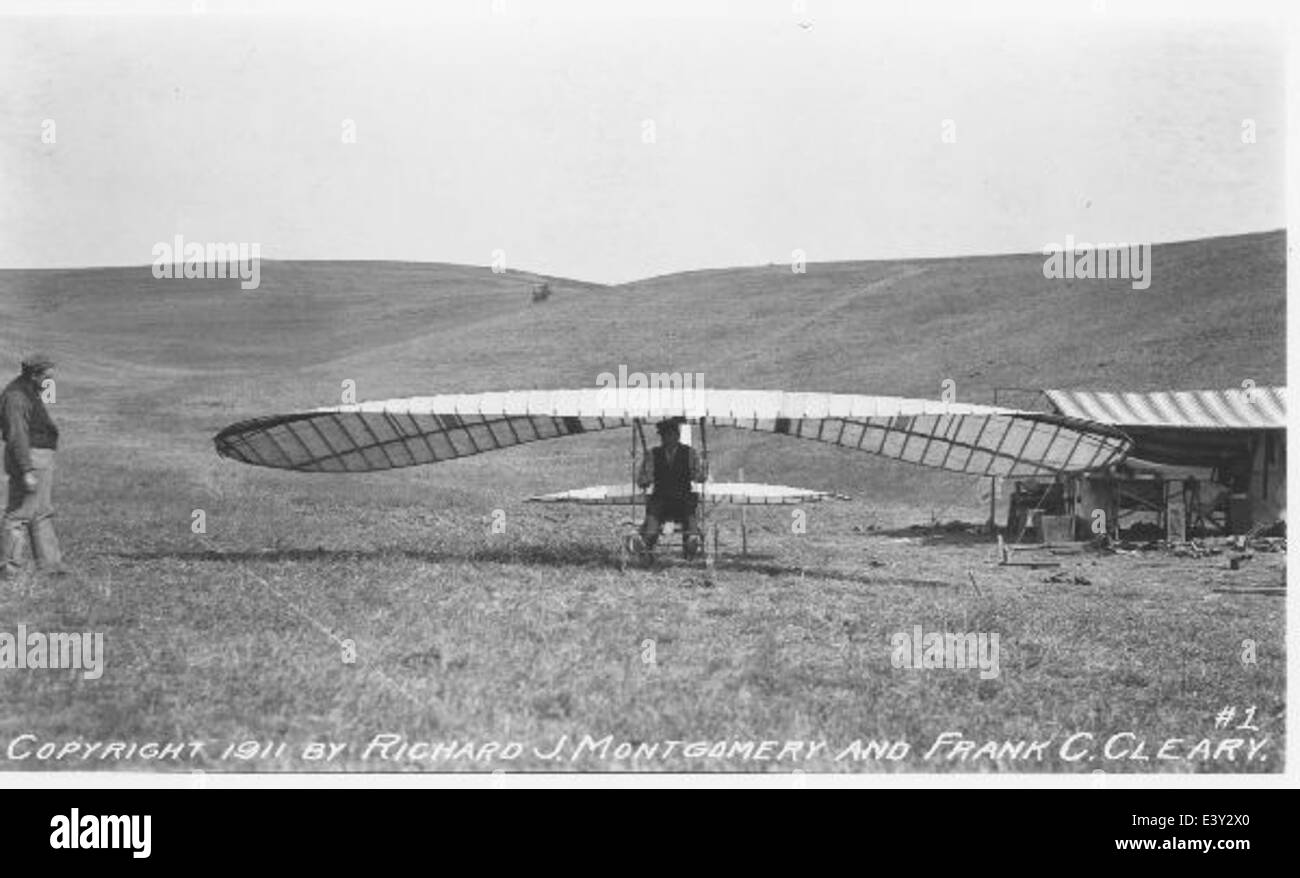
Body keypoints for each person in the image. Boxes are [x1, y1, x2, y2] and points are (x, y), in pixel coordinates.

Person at [0, 353, 68, 577]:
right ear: (34, 375)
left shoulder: (30, 391)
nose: (50, 381)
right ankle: (9, 569)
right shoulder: (15, 397)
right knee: (19, 513)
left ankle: (50, 566)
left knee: (41, 513)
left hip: (39, 457)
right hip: (29, 458)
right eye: (47, 377)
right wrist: (26, 469)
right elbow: (16, 435)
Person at [634, 418, 708, 558]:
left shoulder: (689, 453)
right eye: (664, 435)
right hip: (661, 499)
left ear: (677, 435)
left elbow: (697, 476)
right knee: (653, 515)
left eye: (670, 434)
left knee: (689, 512)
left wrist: (702, 472)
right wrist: (644, 479)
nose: (667, 438)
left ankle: (692, 540)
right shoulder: (652, 454)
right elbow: (644, 478)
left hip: (682, 499)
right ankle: (645, 544)